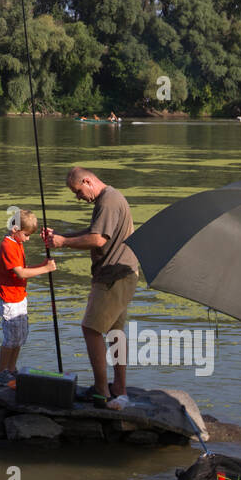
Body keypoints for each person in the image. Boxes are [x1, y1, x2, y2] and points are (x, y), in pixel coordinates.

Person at [42, 167, 141, 409]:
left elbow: (98, 239)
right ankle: (119, 388)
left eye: (77, 191)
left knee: (91, 329)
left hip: (113, 275)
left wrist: (63, 242)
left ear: (87, 181)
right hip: (124, 272)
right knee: (115, 332)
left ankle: (101, 390)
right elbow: (92, 231)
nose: (78, 197)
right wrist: (62, 236)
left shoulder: (107, 201)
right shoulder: (109, 198)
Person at [0, 208, 56, 386]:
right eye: (26, 235)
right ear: (15, 230)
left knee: (20, 336)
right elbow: (20, 273)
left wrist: (42, 264)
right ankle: (0, 371)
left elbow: (24, 268)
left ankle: (11, 369)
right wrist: (46, 269)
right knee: (10, 338)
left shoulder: (17, 243)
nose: (28, 239)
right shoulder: (7, 245)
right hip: (9, 299)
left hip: (20, 296)